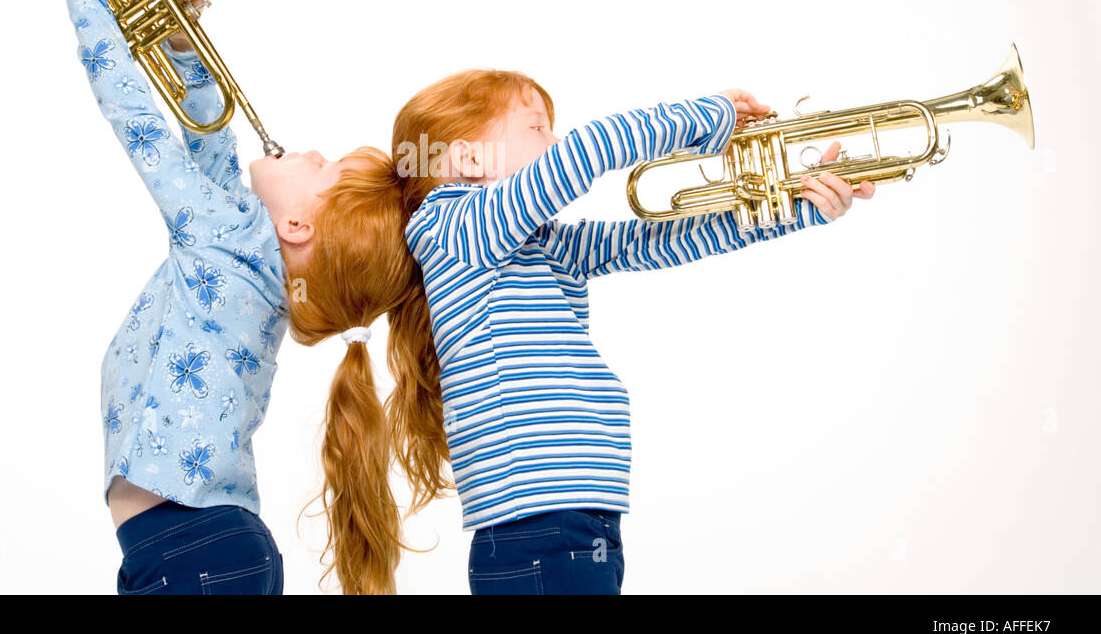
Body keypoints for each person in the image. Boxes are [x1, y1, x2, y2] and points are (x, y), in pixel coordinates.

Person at [374, 69, 876, 594]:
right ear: (470, 160)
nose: (557, 140)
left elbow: (660, 240)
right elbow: (588, 152)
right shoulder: (454, 228)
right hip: (543, 524)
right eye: (538, 127)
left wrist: (797, 206)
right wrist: (707, 116)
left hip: (579, 519)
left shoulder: (538, 244)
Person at [58, 0, 388, 594]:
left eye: (323, 167)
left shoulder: (223, 238)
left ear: (297, 225)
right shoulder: (242, 243)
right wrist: (184, 46)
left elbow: (135, 117)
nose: (314, 150)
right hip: (205, 548)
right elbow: (211, 148)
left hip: (192, 551)